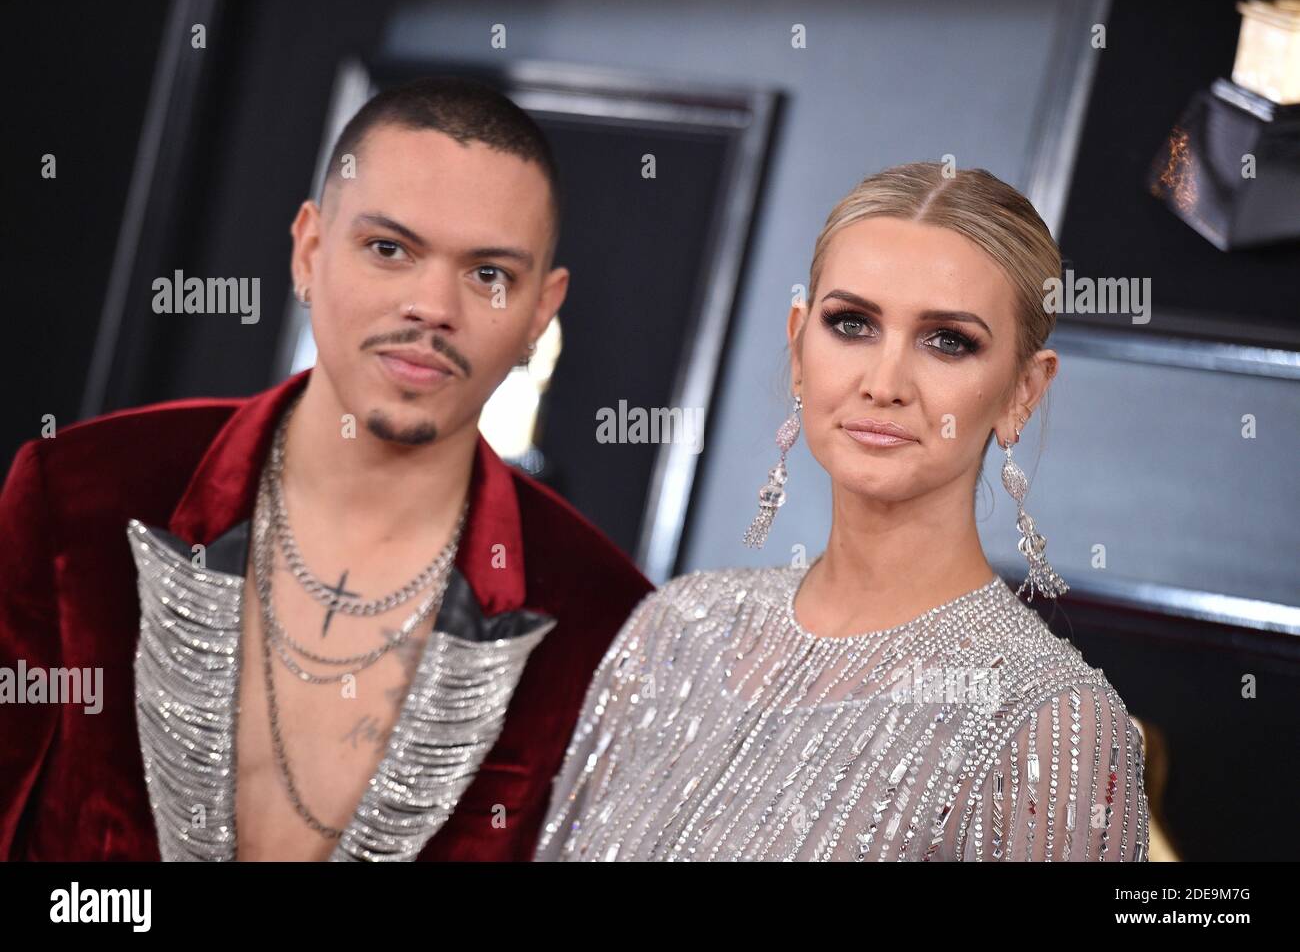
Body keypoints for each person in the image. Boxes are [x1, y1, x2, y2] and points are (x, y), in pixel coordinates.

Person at [0, 76, 653, 861]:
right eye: (389, 249)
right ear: (309, 251)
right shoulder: (82, 491)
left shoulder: (612, 625)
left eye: (488, 274)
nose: (432, 305)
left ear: (539, 314)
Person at [534, 162, 1150, 861]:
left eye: (949, 340)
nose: (883, 383)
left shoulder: (1052, 720)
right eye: (851, 324)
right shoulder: (676, 629)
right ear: (799, 347)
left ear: (1023, 391)